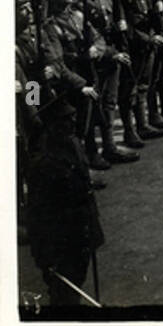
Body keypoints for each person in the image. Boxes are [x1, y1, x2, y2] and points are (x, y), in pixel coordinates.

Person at [26, 96, 105, 307]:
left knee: (78, 280)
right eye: (66, 120)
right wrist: (43, 257)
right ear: (52, 126)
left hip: (82, 231)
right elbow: (36, 214)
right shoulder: (43, 162)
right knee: (63, 295)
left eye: (73, 118)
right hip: (60, 242)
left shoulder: (74, 144)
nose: (72, 123)